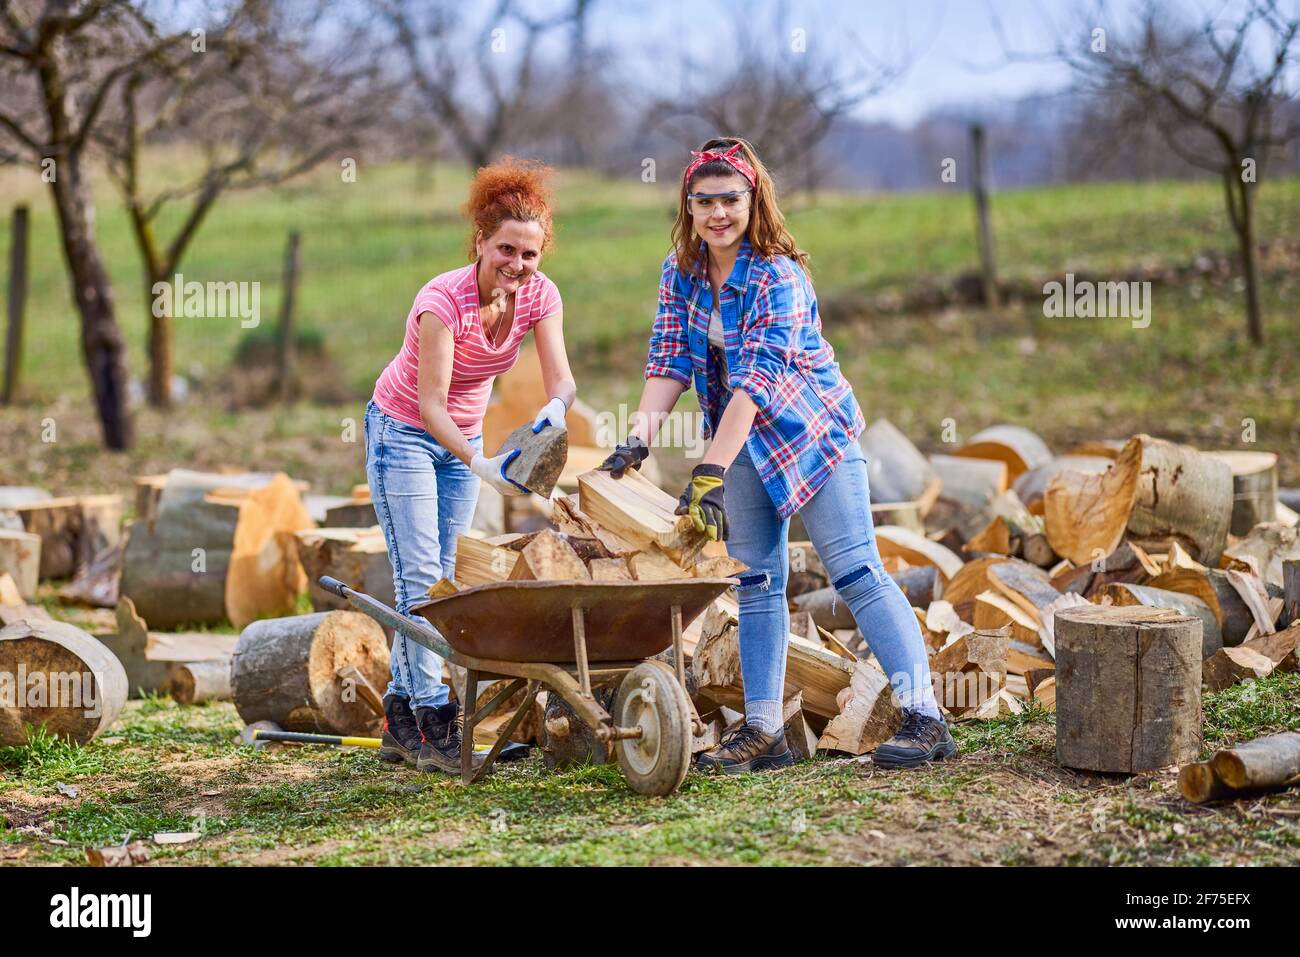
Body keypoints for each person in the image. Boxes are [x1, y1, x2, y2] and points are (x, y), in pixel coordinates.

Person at [600, 137, 954, 773]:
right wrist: (637, 440)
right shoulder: (680, 271)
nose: (717, 214)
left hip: (808, 437)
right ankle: (765, 732)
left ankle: (924, 713)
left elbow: (756, 383)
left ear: (752, 198)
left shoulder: (778, 274)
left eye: (729, 200)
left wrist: (707, 468)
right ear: (687, 206)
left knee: (855, 571)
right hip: (737, 441)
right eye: (703, 201)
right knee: (758, 580)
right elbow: (668, 359)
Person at [367, 158, 576, 773]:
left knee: (445, 582)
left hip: (461, 444)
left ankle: (400, 719)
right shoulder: (442, 301)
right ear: (482, 242)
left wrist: (556, 412)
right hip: (404, 433)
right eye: (505, 248)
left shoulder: (540, 295)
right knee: (419, 577)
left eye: (529, 253)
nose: (517, 264)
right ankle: (433, 717)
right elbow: (430, 406)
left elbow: (562, 378)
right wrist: (483, 465)